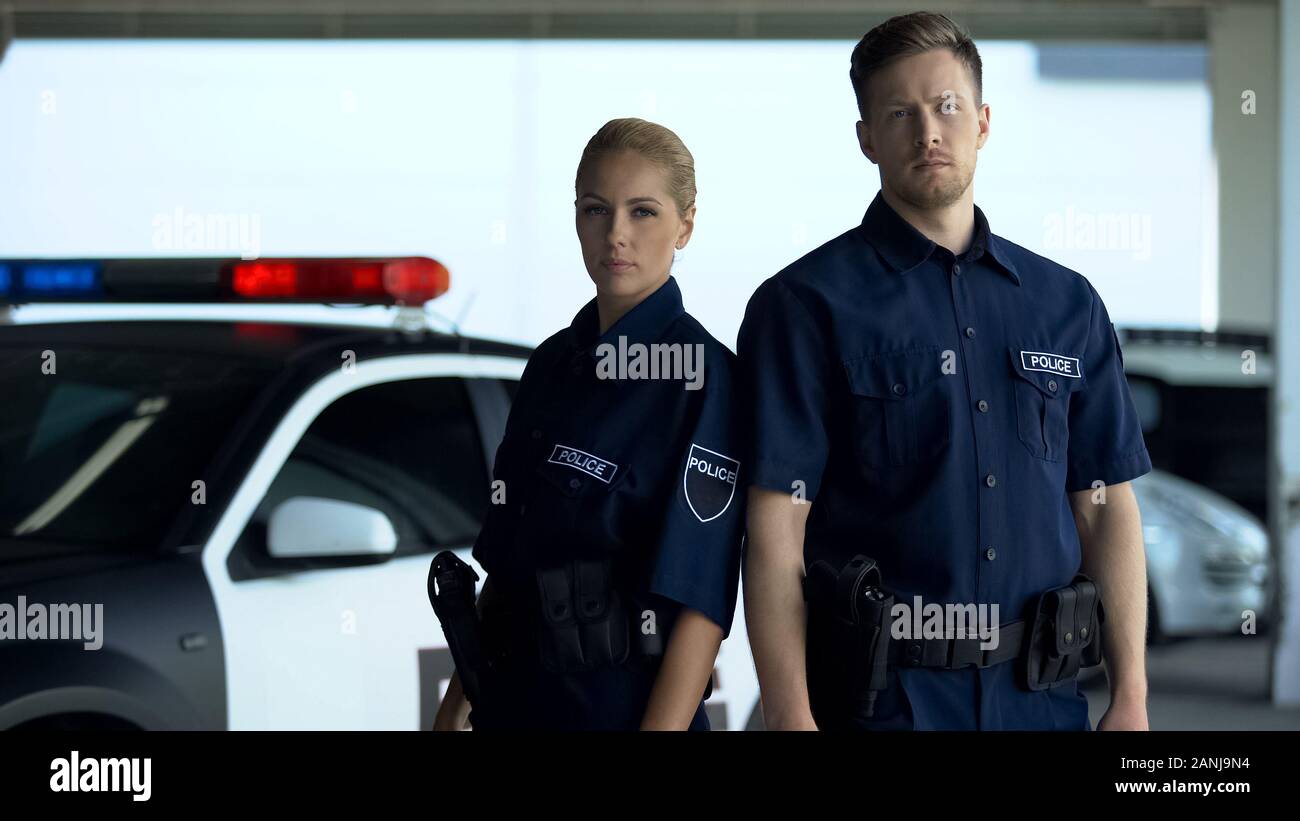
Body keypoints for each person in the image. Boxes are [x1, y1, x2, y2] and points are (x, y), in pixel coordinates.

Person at [737, 12, 1151, 731]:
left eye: (947, 106)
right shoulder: (802, 306)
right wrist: (788, 714)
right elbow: (777, 527)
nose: (928, 131)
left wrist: (1133, 695)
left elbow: (1105, 505)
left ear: (984, 122)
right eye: (899, 113)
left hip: (1042, 707)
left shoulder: (1067, 305)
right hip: (880, 706)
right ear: (866, 138)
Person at [432, 117, 745, 731]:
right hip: (515, 704)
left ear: (686, 224)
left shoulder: (705, 380)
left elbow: (700, 605)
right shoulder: (551, 365)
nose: (616, 235)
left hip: (625, 709)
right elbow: (506, 572)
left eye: (643, 212)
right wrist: (452, 712)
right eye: (596, 210)